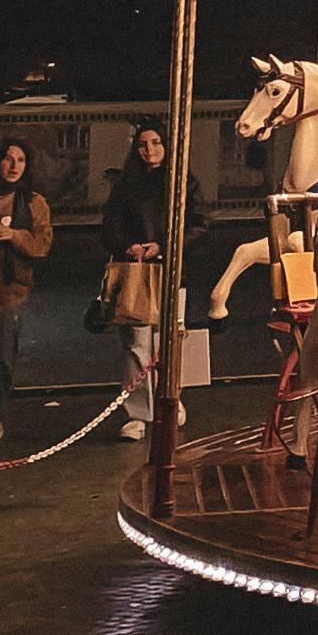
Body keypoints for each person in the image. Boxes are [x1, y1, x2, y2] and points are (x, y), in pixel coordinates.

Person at [99, 125, 203, 440]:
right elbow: (110, 226)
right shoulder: (124, 185)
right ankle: (138, 415)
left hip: (172, 272)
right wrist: (129, 247)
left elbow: (200, 224)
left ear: (167, 145)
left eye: (156, 142)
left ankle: (171, 400)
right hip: (137, 274)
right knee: (136, 344)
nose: (150, 149)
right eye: (143, 144)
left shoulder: (184, 182)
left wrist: (164, 245)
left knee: (172, 341)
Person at [0, 134, 53, 441]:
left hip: (10, 288)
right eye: (8, 158)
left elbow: (42, 244)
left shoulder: (34, 202)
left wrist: (12, 235)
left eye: (21, 160)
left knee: (1, 355)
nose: (14, 166)